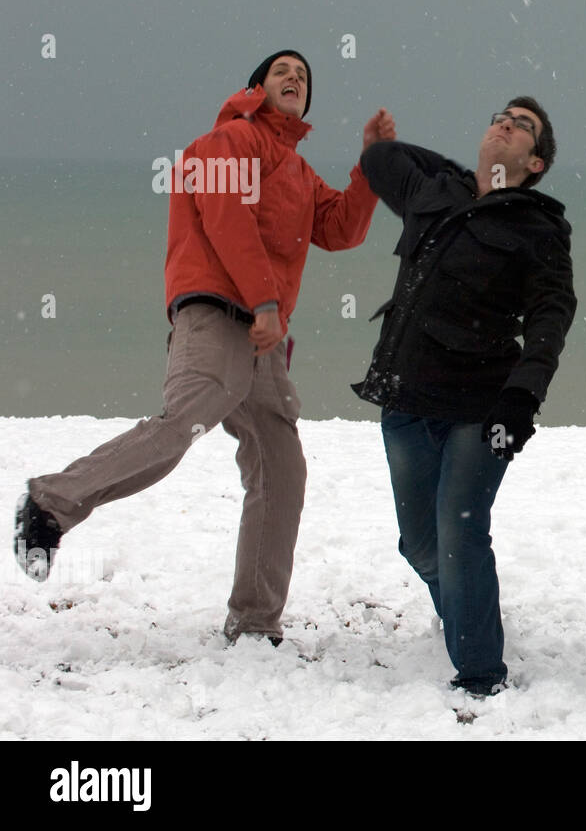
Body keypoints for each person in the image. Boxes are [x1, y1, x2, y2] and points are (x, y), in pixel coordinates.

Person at [15, 50, 395, 645]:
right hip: (217, 313)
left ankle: (253, 624)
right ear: (255, 88)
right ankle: (50, 502)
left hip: (261, 334)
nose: (295, 78)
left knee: (280, 468)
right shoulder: (226, 141)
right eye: (282, 71)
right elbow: (227, 220)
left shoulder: (295, 170)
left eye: (304, 76)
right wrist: (267, 303)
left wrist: (371, 165)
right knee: (182, 424)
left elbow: (340, 228)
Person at [352, 97, 576, 698]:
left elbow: (552, 315)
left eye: (521, 126)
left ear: (537, 162)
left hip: (481, 408)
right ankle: (466, 613)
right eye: (499, 117)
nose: (504, 124)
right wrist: (455, 170)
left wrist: (522, 398)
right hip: (404, 399)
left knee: (459, 534)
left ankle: (480, 677)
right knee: (421, 543)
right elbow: (382, 160)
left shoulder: (538, 227)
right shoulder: (436, 194)